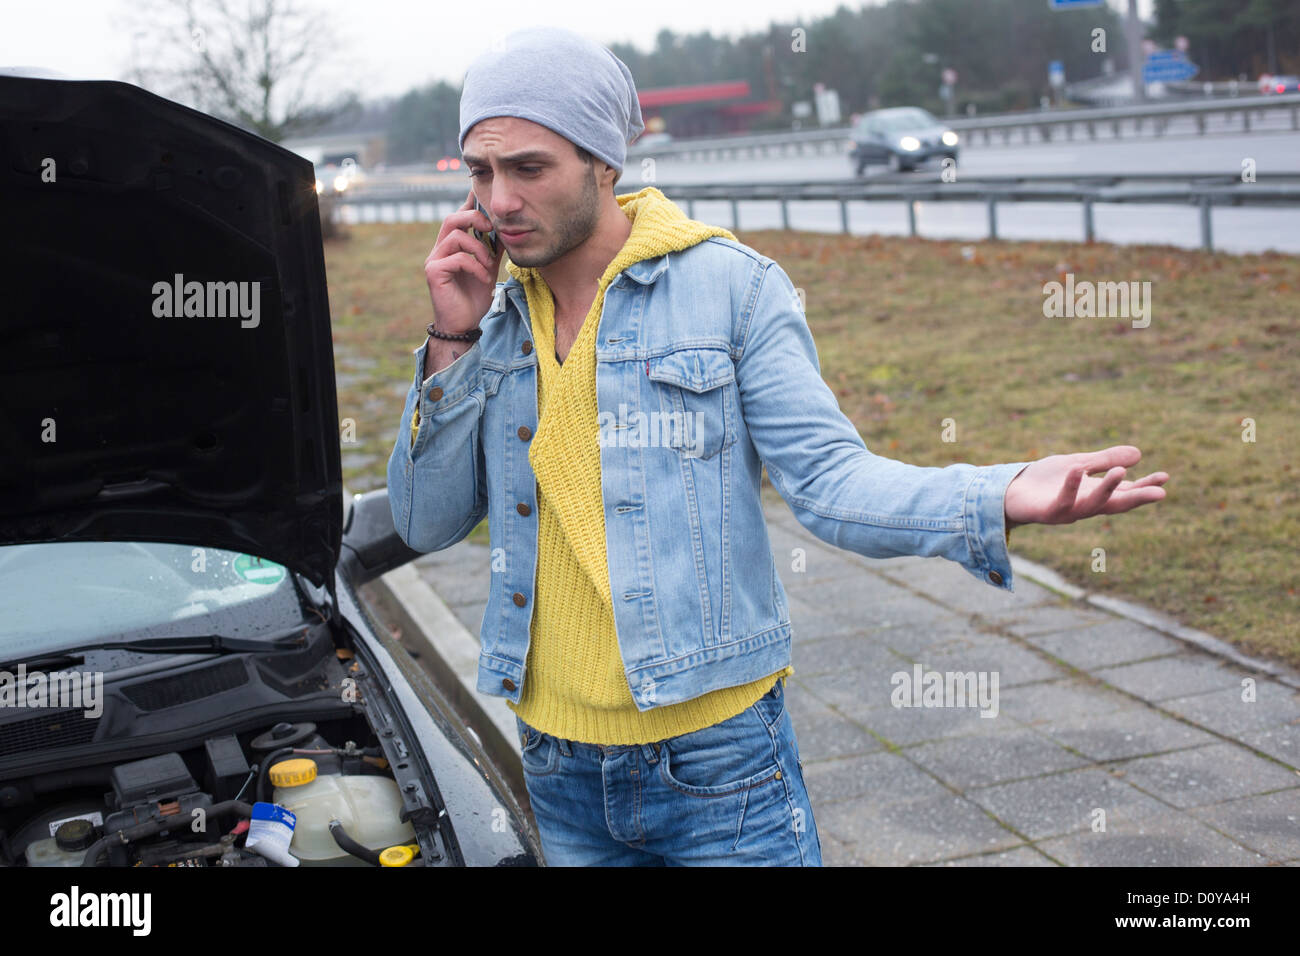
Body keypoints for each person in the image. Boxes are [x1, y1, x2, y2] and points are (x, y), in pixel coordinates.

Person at [387, 26, 1169, 866]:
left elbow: (831, 483)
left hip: (716, 766)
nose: (498, 201)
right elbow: (425, 522)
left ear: (604, 161)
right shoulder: (492, 320)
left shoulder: (730, 288)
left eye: (528, 168)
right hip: (556, 763)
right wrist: (451, 341)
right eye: (481, 172)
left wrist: (996, 495)